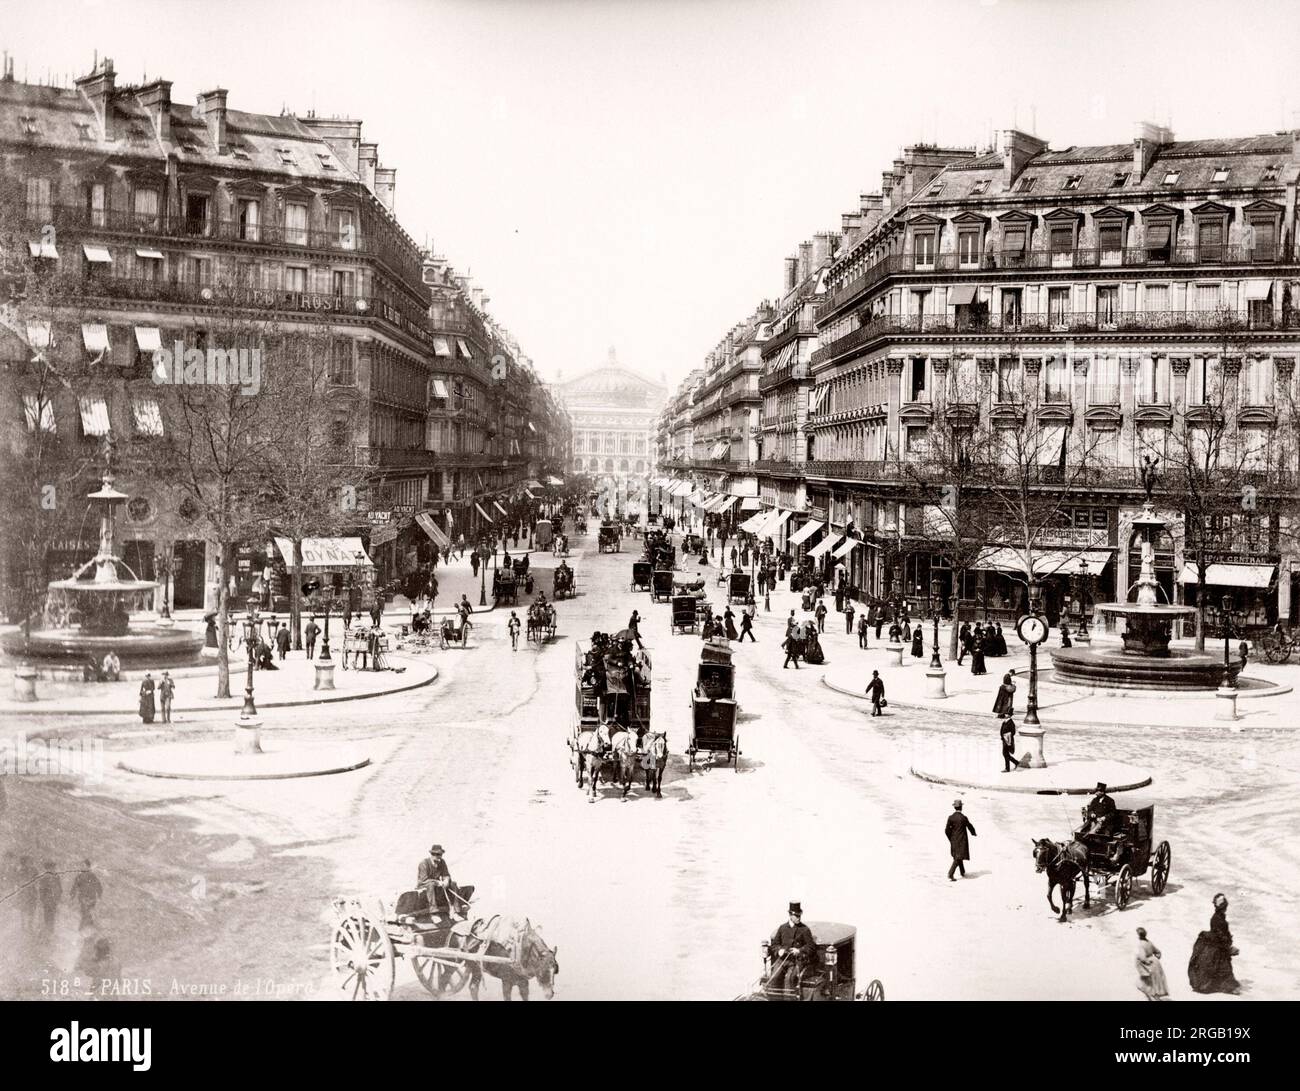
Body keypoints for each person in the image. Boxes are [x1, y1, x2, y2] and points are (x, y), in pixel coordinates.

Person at [1188, 894, 1240, 994]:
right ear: (1223, 907)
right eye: (1225, 907)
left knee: (1222, 966)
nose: (1226, 908)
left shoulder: (1219, 917)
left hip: (1218, 943)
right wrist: (1228, 947)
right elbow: (1220, 935)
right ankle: (1227, 987)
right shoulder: (1217, 919)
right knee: (1223, 966)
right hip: (1218, 945)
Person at [767, 902, 818, 996]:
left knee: (789, 979)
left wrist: (799, 950)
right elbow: (774, 944)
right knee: (774, 977)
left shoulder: (805, 929)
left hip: (797, 961)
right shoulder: (782, 928)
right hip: (782, 959)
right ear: (790, 915)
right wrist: (779, 950)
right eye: (796, 916)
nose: (799, 918)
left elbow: (811, 946)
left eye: (800, 915)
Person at [416, 844, 475, 920]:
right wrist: (438, 882)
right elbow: (424, 879)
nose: (438, 856)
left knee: (453, 883)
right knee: (431, 885)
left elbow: (446, 874)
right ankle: (434, 913)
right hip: (424, 885)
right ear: (432, 854)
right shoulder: (424, 863)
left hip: (437, 885)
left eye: (440, 854)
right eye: (436, 854)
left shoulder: (442, 862)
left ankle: (456, 912)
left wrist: (446, 880)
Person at [1135, 927, 1170, 1001]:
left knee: (1147, 981)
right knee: (1156, 981)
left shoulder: (1141, 945)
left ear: (1139, 936)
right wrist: (1156, 957)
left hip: (1150, 964)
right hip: (1156, 963)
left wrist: (1140, 959)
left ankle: (1152, 997)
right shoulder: (1149, 942)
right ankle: (1155, 996)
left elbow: (1143, 957)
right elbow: (1158, 952)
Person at [945, 800, 977, 880]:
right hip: (962, 840)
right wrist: (973, 833)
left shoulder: (951, 817)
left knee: (957, 855)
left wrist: (951, 838)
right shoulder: (963, 818)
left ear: (954, 807)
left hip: (953, 840)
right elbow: (969, 826)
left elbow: (946, 830)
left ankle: (962, 871)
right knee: (958, 857)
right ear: (961, 807)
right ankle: (950, 874)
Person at [69, 859, 102, 930]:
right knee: (85, 912)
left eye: (84, 866)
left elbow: (98, 885)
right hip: (83, 897)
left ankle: (85, 927)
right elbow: (75, 886)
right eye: (82, 866)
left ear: (88, 866)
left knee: (88, 911)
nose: (82, 867)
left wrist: (99, 893)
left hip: (91, 897)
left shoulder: (91, 876)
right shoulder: (80, 876)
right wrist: (72, 894)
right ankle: (86, 926)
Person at [38, 860, 61, 932]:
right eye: (52, 867)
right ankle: (50, 929)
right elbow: (42, 889)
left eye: (53, 867)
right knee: (50, 914)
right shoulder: (51, 876)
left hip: (49, 899)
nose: (53, 869)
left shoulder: (46, 877)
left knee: (48, 914)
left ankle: (49, 929)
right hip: (50, 899)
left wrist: (42, 898)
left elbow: (41, 889)